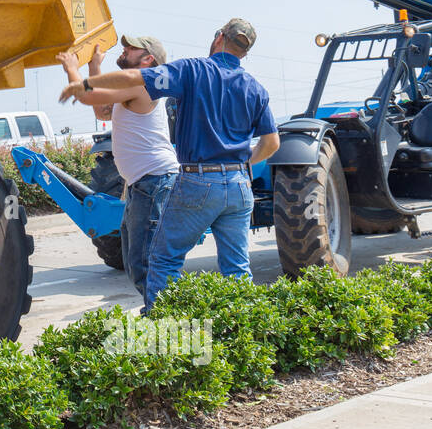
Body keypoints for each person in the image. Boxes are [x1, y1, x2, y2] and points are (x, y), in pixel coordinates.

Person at [61, 18, 280, 310]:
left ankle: (167, 333)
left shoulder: (193, 70)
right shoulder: (255, 87)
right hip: (239, 185)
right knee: (237, 270)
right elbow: (271, 144)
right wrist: (241, 166)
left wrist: (83, 79)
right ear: (245, 51)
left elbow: (132, 80)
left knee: (162, 260)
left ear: (218, 37)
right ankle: (240, 337)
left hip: (195, 182)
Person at [58, 34, 178, 298]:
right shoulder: (134, 87)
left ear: (148, 59)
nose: (124, 49)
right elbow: (102, 111)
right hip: (144, 182)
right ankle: (161, 308)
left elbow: (87, 96)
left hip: (153, 180)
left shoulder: (141, 85)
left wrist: (71, 68)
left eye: (131, 47)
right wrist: (93, 67)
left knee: (145, 263)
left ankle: (164, 313)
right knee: (137, 261)